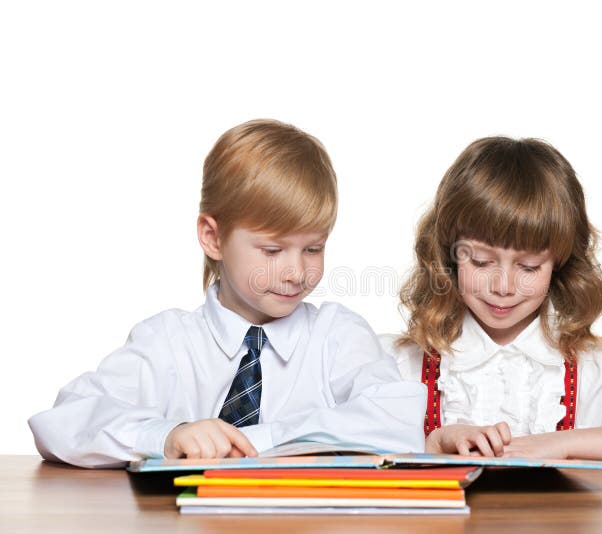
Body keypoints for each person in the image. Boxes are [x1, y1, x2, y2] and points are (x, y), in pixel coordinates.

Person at [29, 119, 426, 468]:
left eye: (313, 248)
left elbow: (396, 421)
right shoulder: (167, 343)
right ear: (213, 237)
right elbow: (62, 422)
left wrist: (258, 441)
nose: (296, 272)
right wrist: (166, 436)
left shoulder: (337, 336)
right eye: (272, 251)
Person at [381, 136, 602, 462]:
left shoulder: (595, 366)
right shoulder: (395, 364)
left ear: (559, 263)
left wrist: (557, 444)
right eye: (482, 261)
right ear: (449, 256)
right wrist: (431, 444)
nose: (503, 286)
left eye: (529, 266)